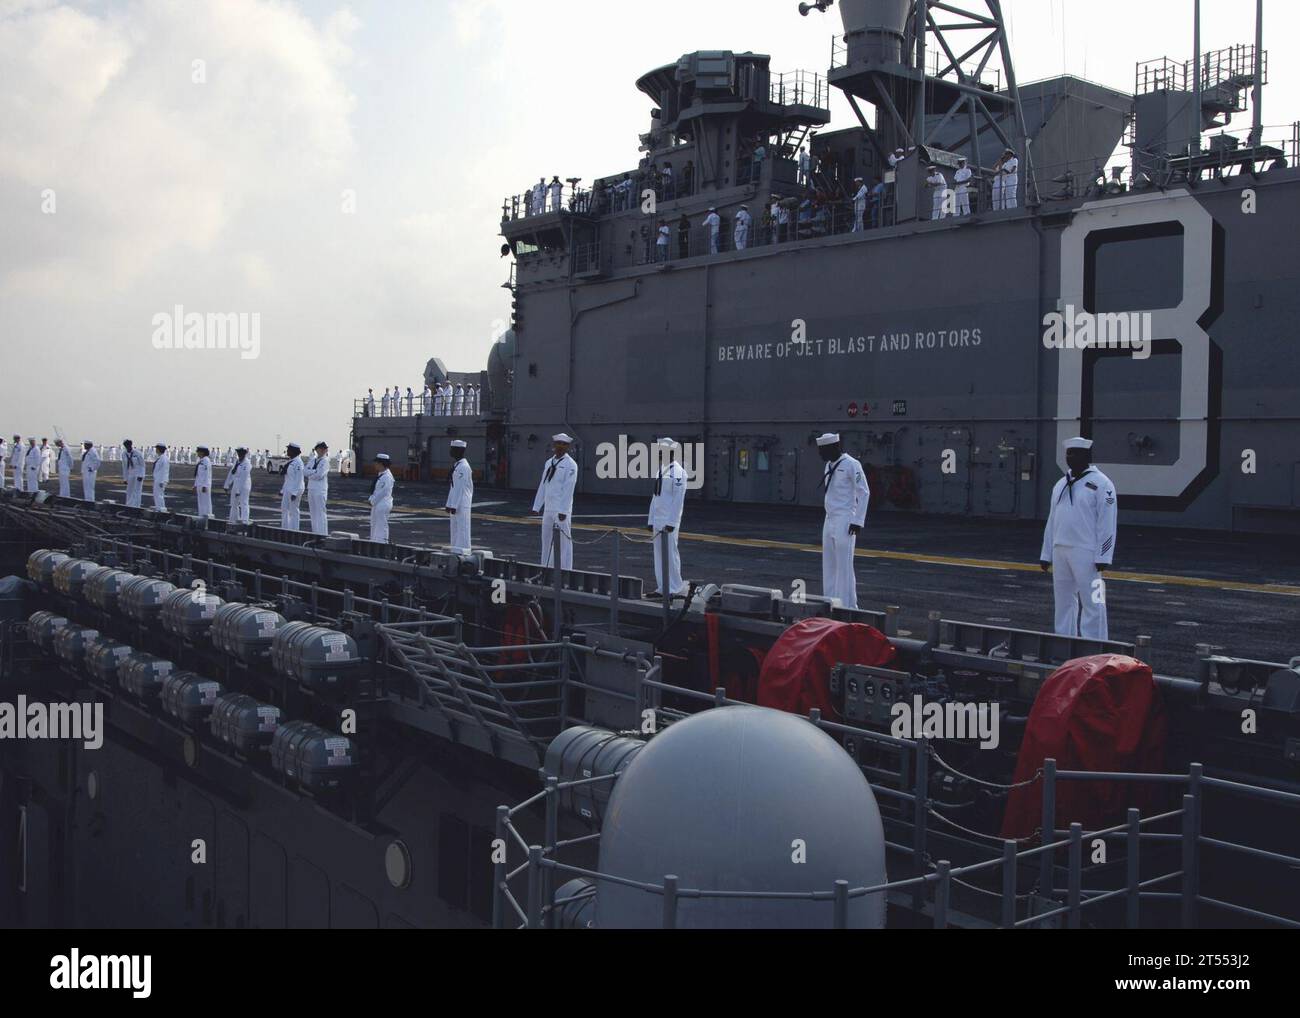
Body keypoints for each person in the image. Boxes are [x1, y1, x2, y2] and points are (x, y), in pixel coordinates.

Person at [1040, 437, 1117, 640]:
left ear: (1087, 456)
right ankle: (1064, 641)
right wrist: (1046, 552)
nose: (1069, 457)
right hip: (1060, 549)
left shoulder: (1102, 484)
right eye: (1068, 453)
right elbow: (1052, 520)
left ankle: (1095, 643)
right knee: (1064, 600)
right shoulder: (1060, 485)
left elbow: (1107, 521)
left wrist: (1104, 555)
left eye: (1074, 453)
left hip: (1087, 551)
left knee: (1094, 599)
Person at [818, 433, 870, 610]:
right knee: (829, 564)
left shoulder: (851, 464)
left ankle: (848, 606)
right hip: (830, 518)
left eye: (824, 450)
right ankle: (830, 602)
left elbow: (864, 492)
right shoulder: (828, 465)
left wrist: (857, 521)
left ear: (835, 447)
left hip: (845, 519)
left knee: (844, 565)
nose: (821, 455)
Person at [646, 437, 688, 600]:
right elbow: (655, 497)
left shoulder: (678, 472)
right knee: (659, 555)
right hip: (658, 520)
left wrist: (672, 522)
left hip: (668, 521)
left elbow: (678, 500)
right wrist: (651, 520)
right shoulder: (660, 470)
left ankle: (675, 587)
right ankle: (663, 586)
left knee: (670, 554)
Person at [531, 433, 577, 571]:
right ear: (554, 445)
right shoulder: (549, 463)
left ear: (568, 447)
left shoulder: (571, 465)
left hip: (561, 509)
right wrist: (537, 506)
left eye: (563, 444)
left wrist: (563, 511)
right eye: (558, 443)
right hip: (549, 508)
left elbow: (569, 489)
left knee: (564, 541)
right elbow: (543, 485)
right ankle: (545, 567)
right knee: (546, 540)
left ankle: (565, 569)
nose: (560, 446)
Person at [445, 439, 473, 551]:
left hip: (462, 502)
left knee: (463, 528)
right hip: (456, 502)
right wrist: (449, 504)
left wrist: (454, 505)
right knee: (455, 528)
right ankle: (455, 549)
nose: (450, 451)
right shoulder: (457, 465)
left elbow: (460, 488)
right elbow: (453, 487)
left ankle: (464, 551)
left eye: (452, 449)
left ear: (458, 451)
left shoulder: (463, 467)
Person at [306, 441, 330, 535]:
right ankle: (315, 533)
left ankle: (323, 534)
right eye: (320, 448)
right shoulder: (313, 460)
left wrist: (310, 473)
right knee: (313, 513)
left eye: (324, 448)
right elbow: (304, 471)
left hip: (320, 490)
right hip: (311, 488)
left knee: (320, 513)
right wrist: (314, 472)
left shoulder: (325, 461)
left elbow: (320, 475)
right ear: (316, 449)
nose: (322, 450)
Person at [369, 453, 394, 542]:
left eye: (376, 463)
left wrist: (372, 500)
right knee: (375, 524)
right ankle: (374, 542)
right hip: (378, 503)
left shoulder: (387, 477)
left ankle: (382, 543)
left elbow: (383, 492)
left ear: (381, 464)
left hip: (382, 504)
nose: (375, 465)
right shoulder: (381, 474)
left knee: (381, 525)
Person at [280, 443, 304, 530]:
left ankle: (294, 530)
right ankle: (285, 528)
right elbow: (288, 478)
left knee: (293, 511)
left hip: (295, 489)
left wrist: (295, 492)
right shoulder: (290, 462)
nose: (287, 451)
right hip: (288, 488)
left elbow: (299, 479)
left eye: (289, 449)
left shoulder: (298, 463)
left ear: (294, 451)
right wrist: (282, 490)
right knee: (284, 509)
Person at [224, 447, 252, 523]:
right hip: (236, 485)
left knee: (244, 503)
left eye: (241, 453)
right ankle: (233, 520)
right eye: (238, 452)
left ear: (245, 454)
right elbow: (232, 473)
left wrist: (238, 490)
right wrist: (226, 485)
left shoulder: (247, 463)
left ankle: (244, 521)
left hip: (244, 486)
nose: (239, 454)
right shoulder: (237, 462)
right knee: (233, 504)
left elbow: (244, 477)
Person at [122, 439, 145, 507]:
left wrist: (141, 475)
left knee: (137, 490)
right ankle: (129, 505)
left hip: (138, 473)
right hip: (130, 473)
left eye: (128, 445)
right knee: (129, 490)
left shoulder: (137, 453)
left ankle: (136, 506)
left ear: (131, 445)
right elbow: (124, 467)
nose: (127, 446)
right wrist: (125, 478)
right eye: (126, 445)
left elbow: (142, 465)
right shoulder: (124, 454)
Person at [193, 446, 213, 518]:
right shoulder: (201, 461)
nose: (197, 453)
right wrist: (195, 485)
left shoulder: (206, 461)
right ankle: (201, 516)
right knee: (200, 502)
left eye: (198, 451)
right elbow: (198, 475)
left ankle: (207, 516)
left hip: (204, 485)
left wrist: (205, 485)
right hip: (199, 484)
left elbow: (207, 474)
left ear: (202, 452)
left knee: (206, 502)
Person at [151, 443, 170, 509]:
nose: (156, 450)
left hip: (160, 480)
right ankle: (159, 507)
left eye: (156, 448)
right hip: (158, 479)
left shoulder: (164, 458)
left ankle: (161, 509)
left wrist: (162, 481)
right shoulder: (160, 458)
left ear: (159, 449)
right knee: (156, 495)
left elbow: (164, 470)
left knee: (159, 495)